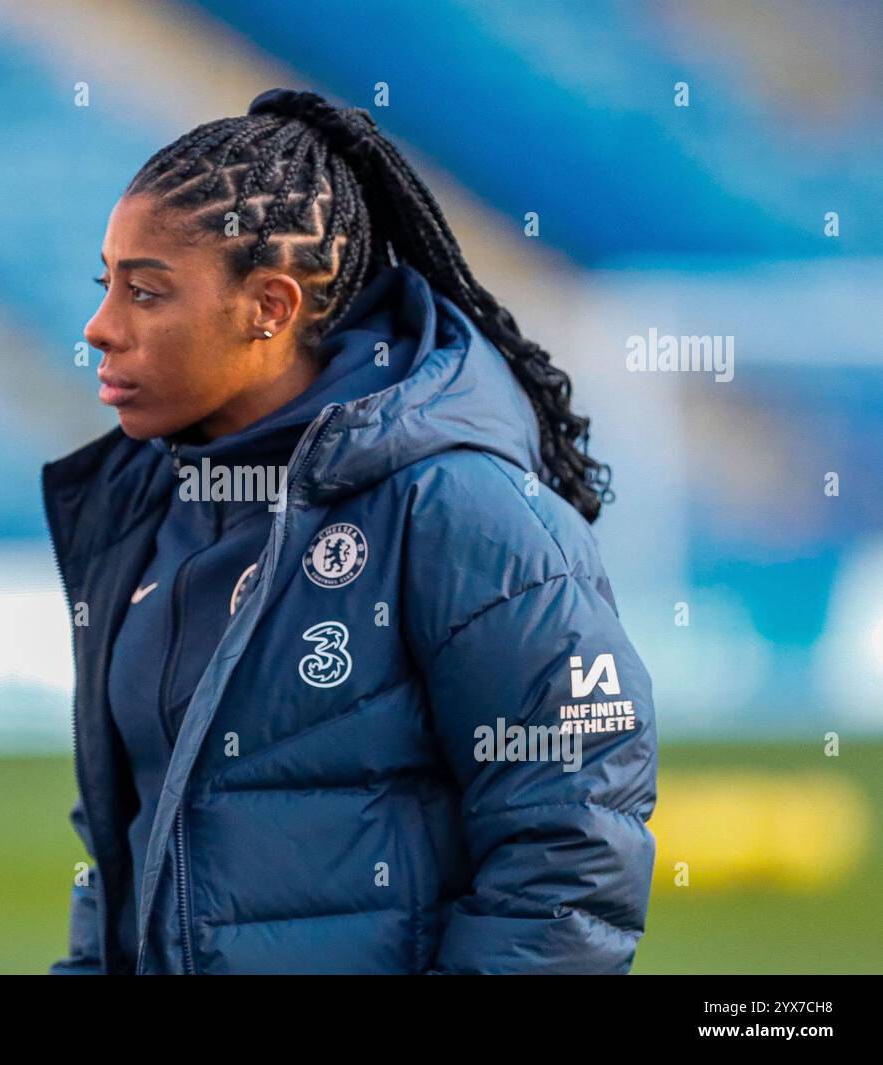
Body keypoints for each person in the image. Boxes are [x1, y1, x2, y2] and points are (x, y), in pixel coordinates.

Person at [43, 88, 657, 974]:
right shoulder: (138, 503)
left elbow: (571, 848)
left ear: (270, 306)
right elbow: (123, 841)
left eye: (145, 291)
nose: (100, 328)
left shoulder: (458, 506)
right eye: (105, 285)